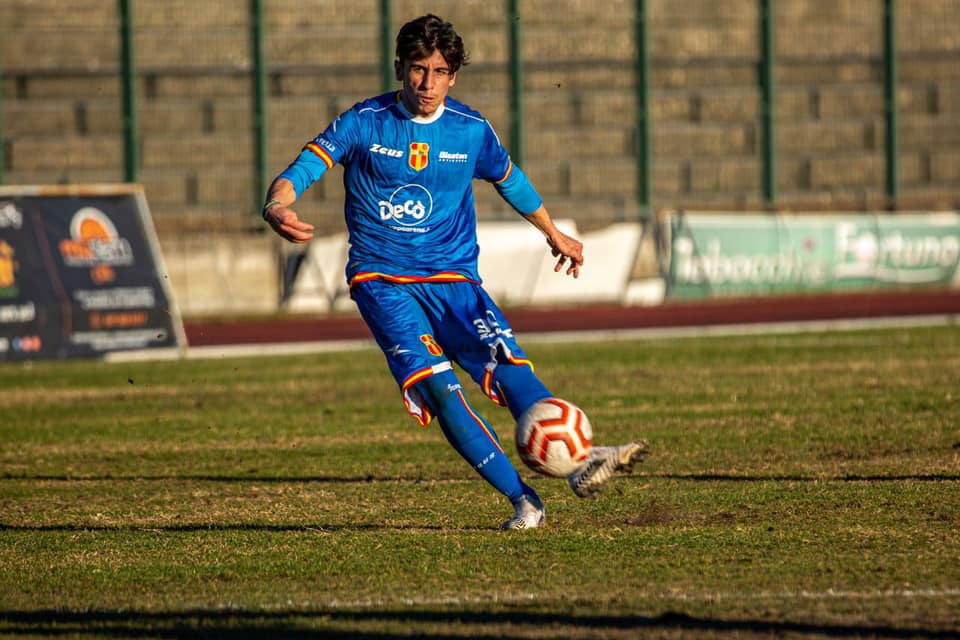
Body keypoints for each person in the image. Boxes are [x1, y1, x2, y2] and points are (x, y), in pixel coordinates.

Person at [262, 14, 648, 529]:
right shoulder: (363, 122)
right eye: (418, 70)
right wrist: (278, 205)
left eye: (439, 72)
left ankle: (580, 459)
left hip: (456, 281)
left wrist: (554, 233)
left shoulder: (470, 130)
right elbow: (302, 170)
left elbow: (510, 180)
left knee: (508, 367)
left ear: (454, 76)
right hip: (384, 282)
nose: (427, 83)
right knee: (441, 389)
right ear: (400, 67)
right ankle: (525, 500)